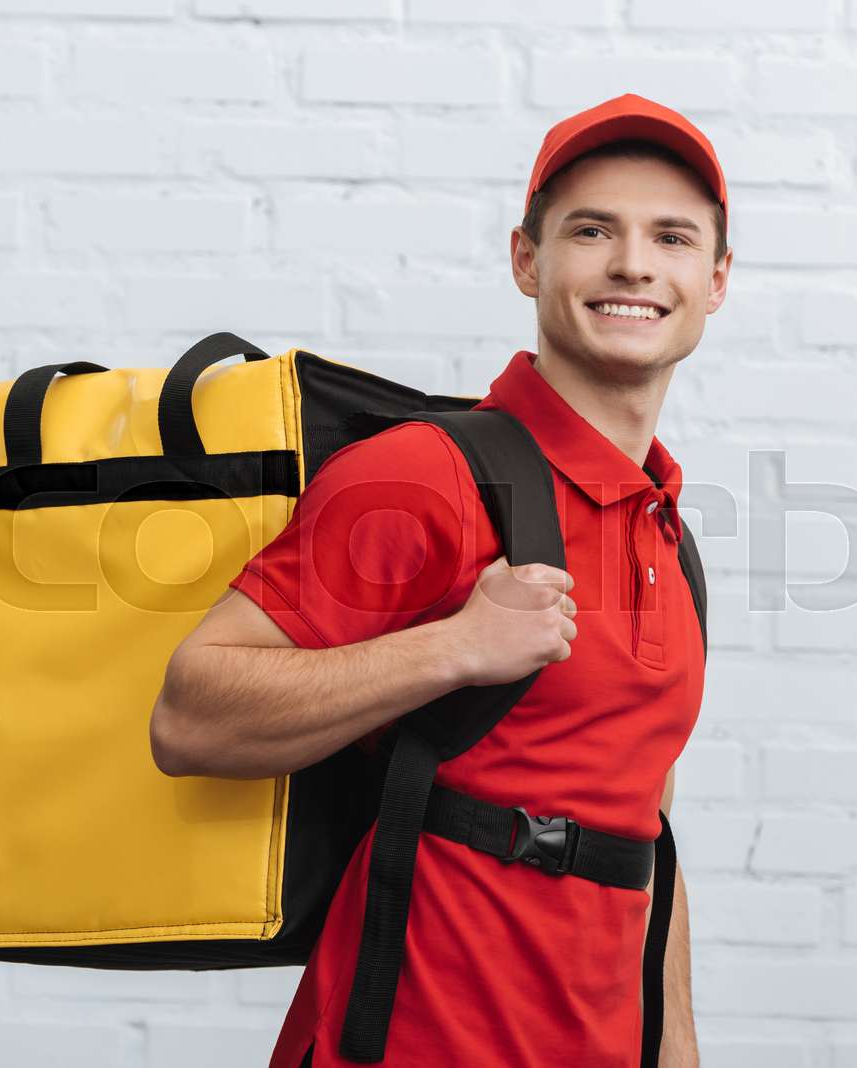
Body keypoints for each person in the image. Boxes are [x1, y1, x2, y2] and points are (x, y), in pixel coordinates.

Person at [148, 92, 732, 1068]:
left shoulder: (665, 528)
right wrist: (454, 647)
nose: (633, 263)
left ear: (713, 282)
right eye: (592, 231)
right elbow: (188, 717)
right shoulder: (423, 475)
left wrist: (672, 1046)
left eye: (671, 238)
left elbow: (646, 825)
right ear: (526, 260)